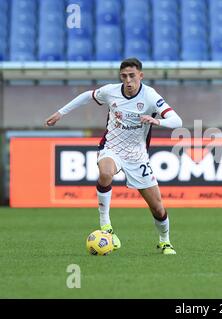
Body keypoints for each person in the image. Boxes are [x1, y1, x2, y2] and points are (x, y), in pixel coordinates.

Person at [45, 58, 182, 255]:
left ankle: (164, 241)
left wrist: (156, 121)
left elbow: (177, 120)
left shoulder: (150, 96)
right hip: (112, 148)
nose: (128, 80)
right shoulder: (111, 91)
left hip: (137, 155)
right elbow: (87, 95)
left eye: (132, 76)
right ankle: (106, 225)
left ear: (140, 76)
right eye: (124, 76)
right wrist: (61, 113)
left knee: (158, 207)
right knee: (105, 173)